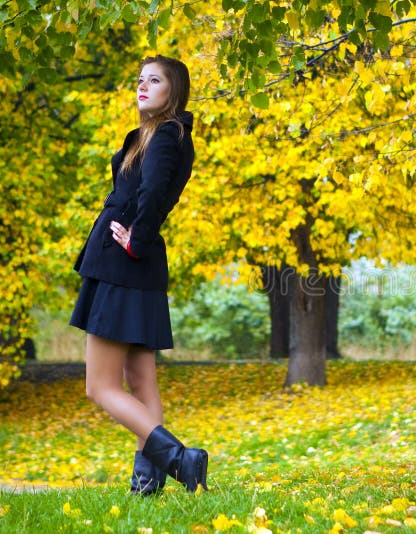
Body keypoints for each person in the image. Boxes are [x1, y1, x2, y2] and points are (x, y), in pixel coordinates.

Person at [70, 55, 207, 495]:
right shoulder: (158, 135)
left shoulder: (167, 135)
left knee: (100, 386)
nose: (143, 86)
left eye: (155, 80)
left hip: (123, 263)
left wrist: (135, 239)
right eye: (140, 80)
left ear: (174, 91)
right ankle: (147, 483)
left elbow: (152, 194)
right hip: (138, 266)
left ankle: (181, 460)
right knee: (141, 379)